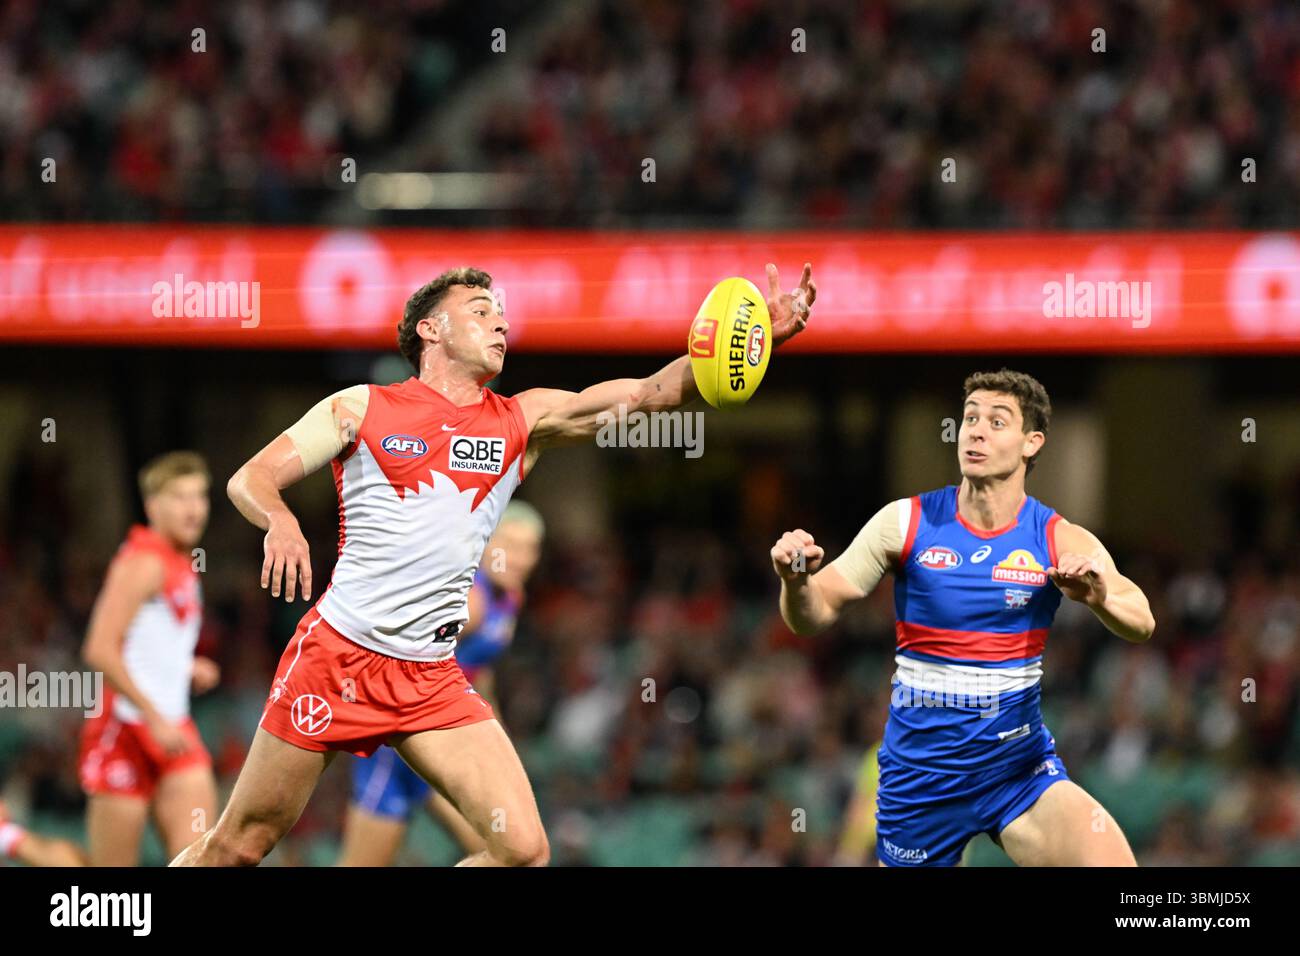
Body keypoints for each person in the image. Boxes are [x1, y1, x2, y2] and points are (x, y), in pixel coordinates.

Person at [173, 262, 815, 866]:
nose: (500, 322)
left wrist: (752, 344)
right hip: (337, 655)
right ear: (431, 329)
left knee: (525, 852)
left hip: (430, 678)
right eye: (481, 310)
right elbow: (250, 478)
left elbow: (651, 393)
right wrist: (279, 519)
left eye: (502, 313)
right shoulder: (362, 406)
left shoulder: (522, 419)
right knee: (238, 846)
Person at [771, 369, 1155, 867]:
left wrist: (1099, 596)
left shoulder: (1056, 536)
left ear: (1031, 443)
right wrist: (796, 580)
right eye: (970, 418)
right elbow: (813, 614)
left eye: (997, 422)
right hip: (919, 782)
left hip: (1016, 771)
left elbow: (1142, 619)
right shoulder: (905, 522)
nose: (975, 430)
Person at [338, 501, 545, 865]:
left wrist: (495, 734)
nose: (521, 558)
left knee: (514, 852)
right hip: (402, 746)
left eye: (530, 548)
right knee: (515, 852)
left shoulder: (508, 596)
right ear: (483, 542)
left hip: (435, 741)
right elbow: (398, 657)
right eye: (510, 545)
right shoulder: (471, 602)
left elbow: (477, 672)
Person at [79, 451, 220, 865]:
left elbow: (146, 644)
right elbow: (98, 648)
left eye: (200, 496)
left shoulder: (179, 562)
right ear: (152, 505)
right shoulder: (143, 562)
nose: (193, 508)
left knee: (202, 858)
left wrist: (185, 668)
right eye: (180, 496)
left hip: (172, 729)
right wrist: (153, 716)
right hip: (123, 730)